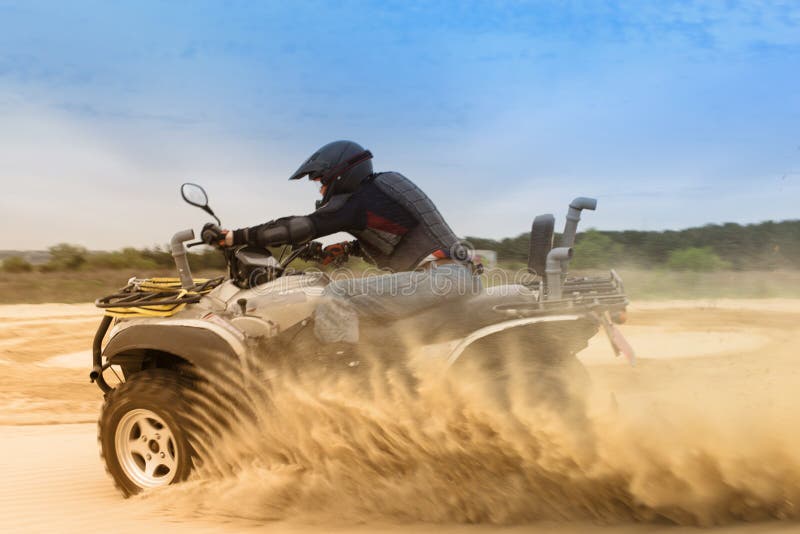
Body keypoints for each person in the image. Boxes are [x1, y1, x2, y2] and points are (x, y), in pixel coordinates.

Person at [208, 140, 480, 345]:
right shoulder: (381, 189)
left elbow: (302, 226)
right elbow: (397, 237)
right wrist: (346, 249)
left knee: (338, 296)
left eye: (321, 182)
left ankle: (334, 374)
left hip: (442, 277)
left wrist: (234, 237)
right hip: (451, 275)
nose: (322, 190)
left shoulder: (361, 198)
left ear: (339, 174)